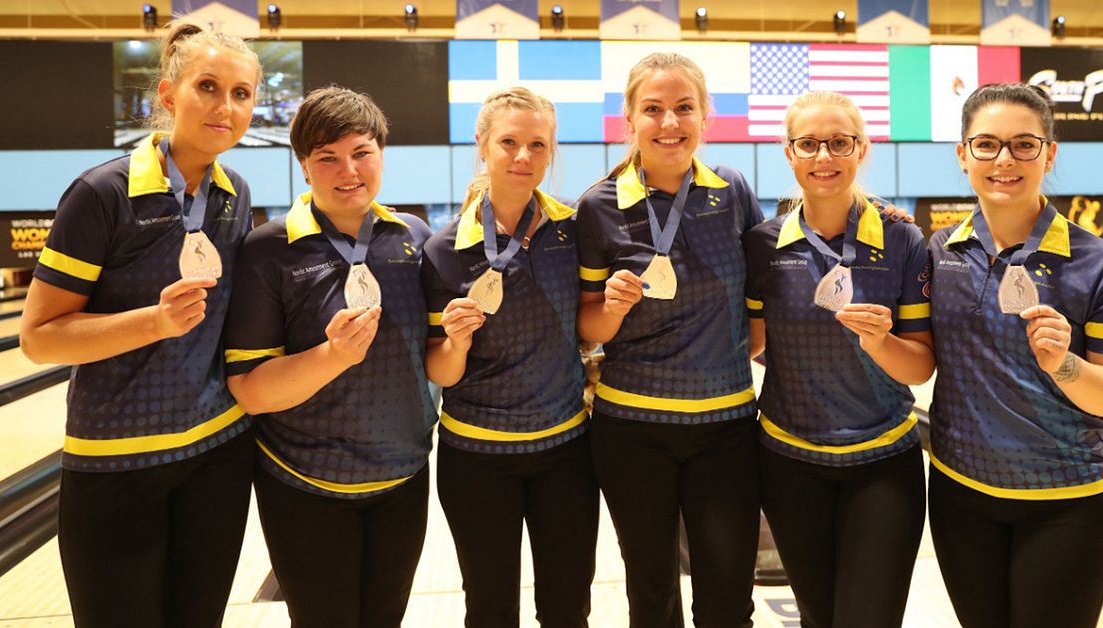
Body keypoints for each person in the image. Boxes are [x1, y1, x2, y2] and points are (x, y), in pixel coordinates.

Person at [18, 22, 259, 628]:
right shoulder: (102, 193)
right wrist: (154, 322)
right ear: (169, 95)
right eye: (208, 87)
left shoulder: (236, 193)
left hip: (218, 455)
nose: (225, 107)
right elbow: (38, 337)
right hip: (115, 463)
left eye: (241, 94)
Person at [927, 83, 1103, 628]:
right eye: (986, 144)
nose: (1004, 159)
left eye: (1024, 145)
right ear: (963, 155)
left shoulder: (1101, 263)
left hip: (1067, 503)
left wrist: (1064, 364)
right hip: (961, 497)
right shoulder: (937, 251)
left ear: (1049, 154)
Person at [222, 86, 436, 627]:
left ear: (381, 154)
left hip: (403, 478)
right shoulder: (269, 250)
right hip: (305, 484)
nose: (349, 171)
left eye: (362, 152)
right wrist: (334, 356)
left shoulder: (413, 237)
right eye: (327, 158)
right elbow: (250, 389)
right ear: (303, 166)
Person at [575, 52, 764, 628]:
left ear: (705, 115)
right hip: (632, 431)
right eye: (653, 108)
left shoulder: (732, 190)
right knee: (652, 597)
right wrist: (611, 308)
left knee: (728, 599)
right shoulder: (599, 205)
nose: (669, 122)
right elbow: (587, 330)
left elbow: (764, 291)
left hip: (726, 428)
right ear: (629, 118)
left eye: (684, 107)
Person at [743, 91, 934, 628]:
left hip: (882, 462)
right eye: (808, 144)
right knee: (818, 618)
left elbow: (921, 366)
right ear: (789, 153)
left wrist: (880, 343)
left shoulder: (902, 239)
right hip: (789, 462)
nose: (823, 156)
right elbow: (751, 343)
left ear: (861, 149)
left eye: (839, 143)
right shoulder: (761, 245)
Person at [421, 86, 598, 628]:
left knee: (568, 609)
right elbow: (439, 370)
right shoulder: (444, 249)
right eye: (508, 142)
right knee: (491, 608)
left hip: (565, 451)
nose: (524, 156)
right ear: (482, 144)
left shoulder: (575, 230)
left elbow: (587, 328)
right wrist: (456, 342)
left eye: (538, 145)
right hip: (477, 458)